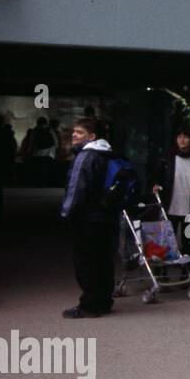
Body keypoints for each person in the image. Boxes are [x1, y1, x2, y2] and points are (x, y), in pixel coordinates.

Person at [60, 117, 117, 318]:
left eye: (80, 132)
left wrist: (66, 212)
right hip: (106, 217)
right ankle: (104, 301)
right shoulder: (108, 154)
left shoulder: (86, 157)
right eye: (74, 131)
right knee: (103, 259)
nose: (74, 135)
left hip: (86, 218)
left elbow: (77, 188)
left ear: (92, 137)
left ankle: (89, 305)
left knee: (85, 261)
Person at [152, 125, 190, 265]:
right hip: (169, 207)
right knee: (165, 243)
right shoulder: (167, 157)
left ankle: (187, 276)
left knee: (189, 244)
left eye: (186, 137)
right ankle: (163, 275)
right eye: (179, 137)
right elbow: (157, 175)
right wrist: (155, 184)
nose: (182, 140)